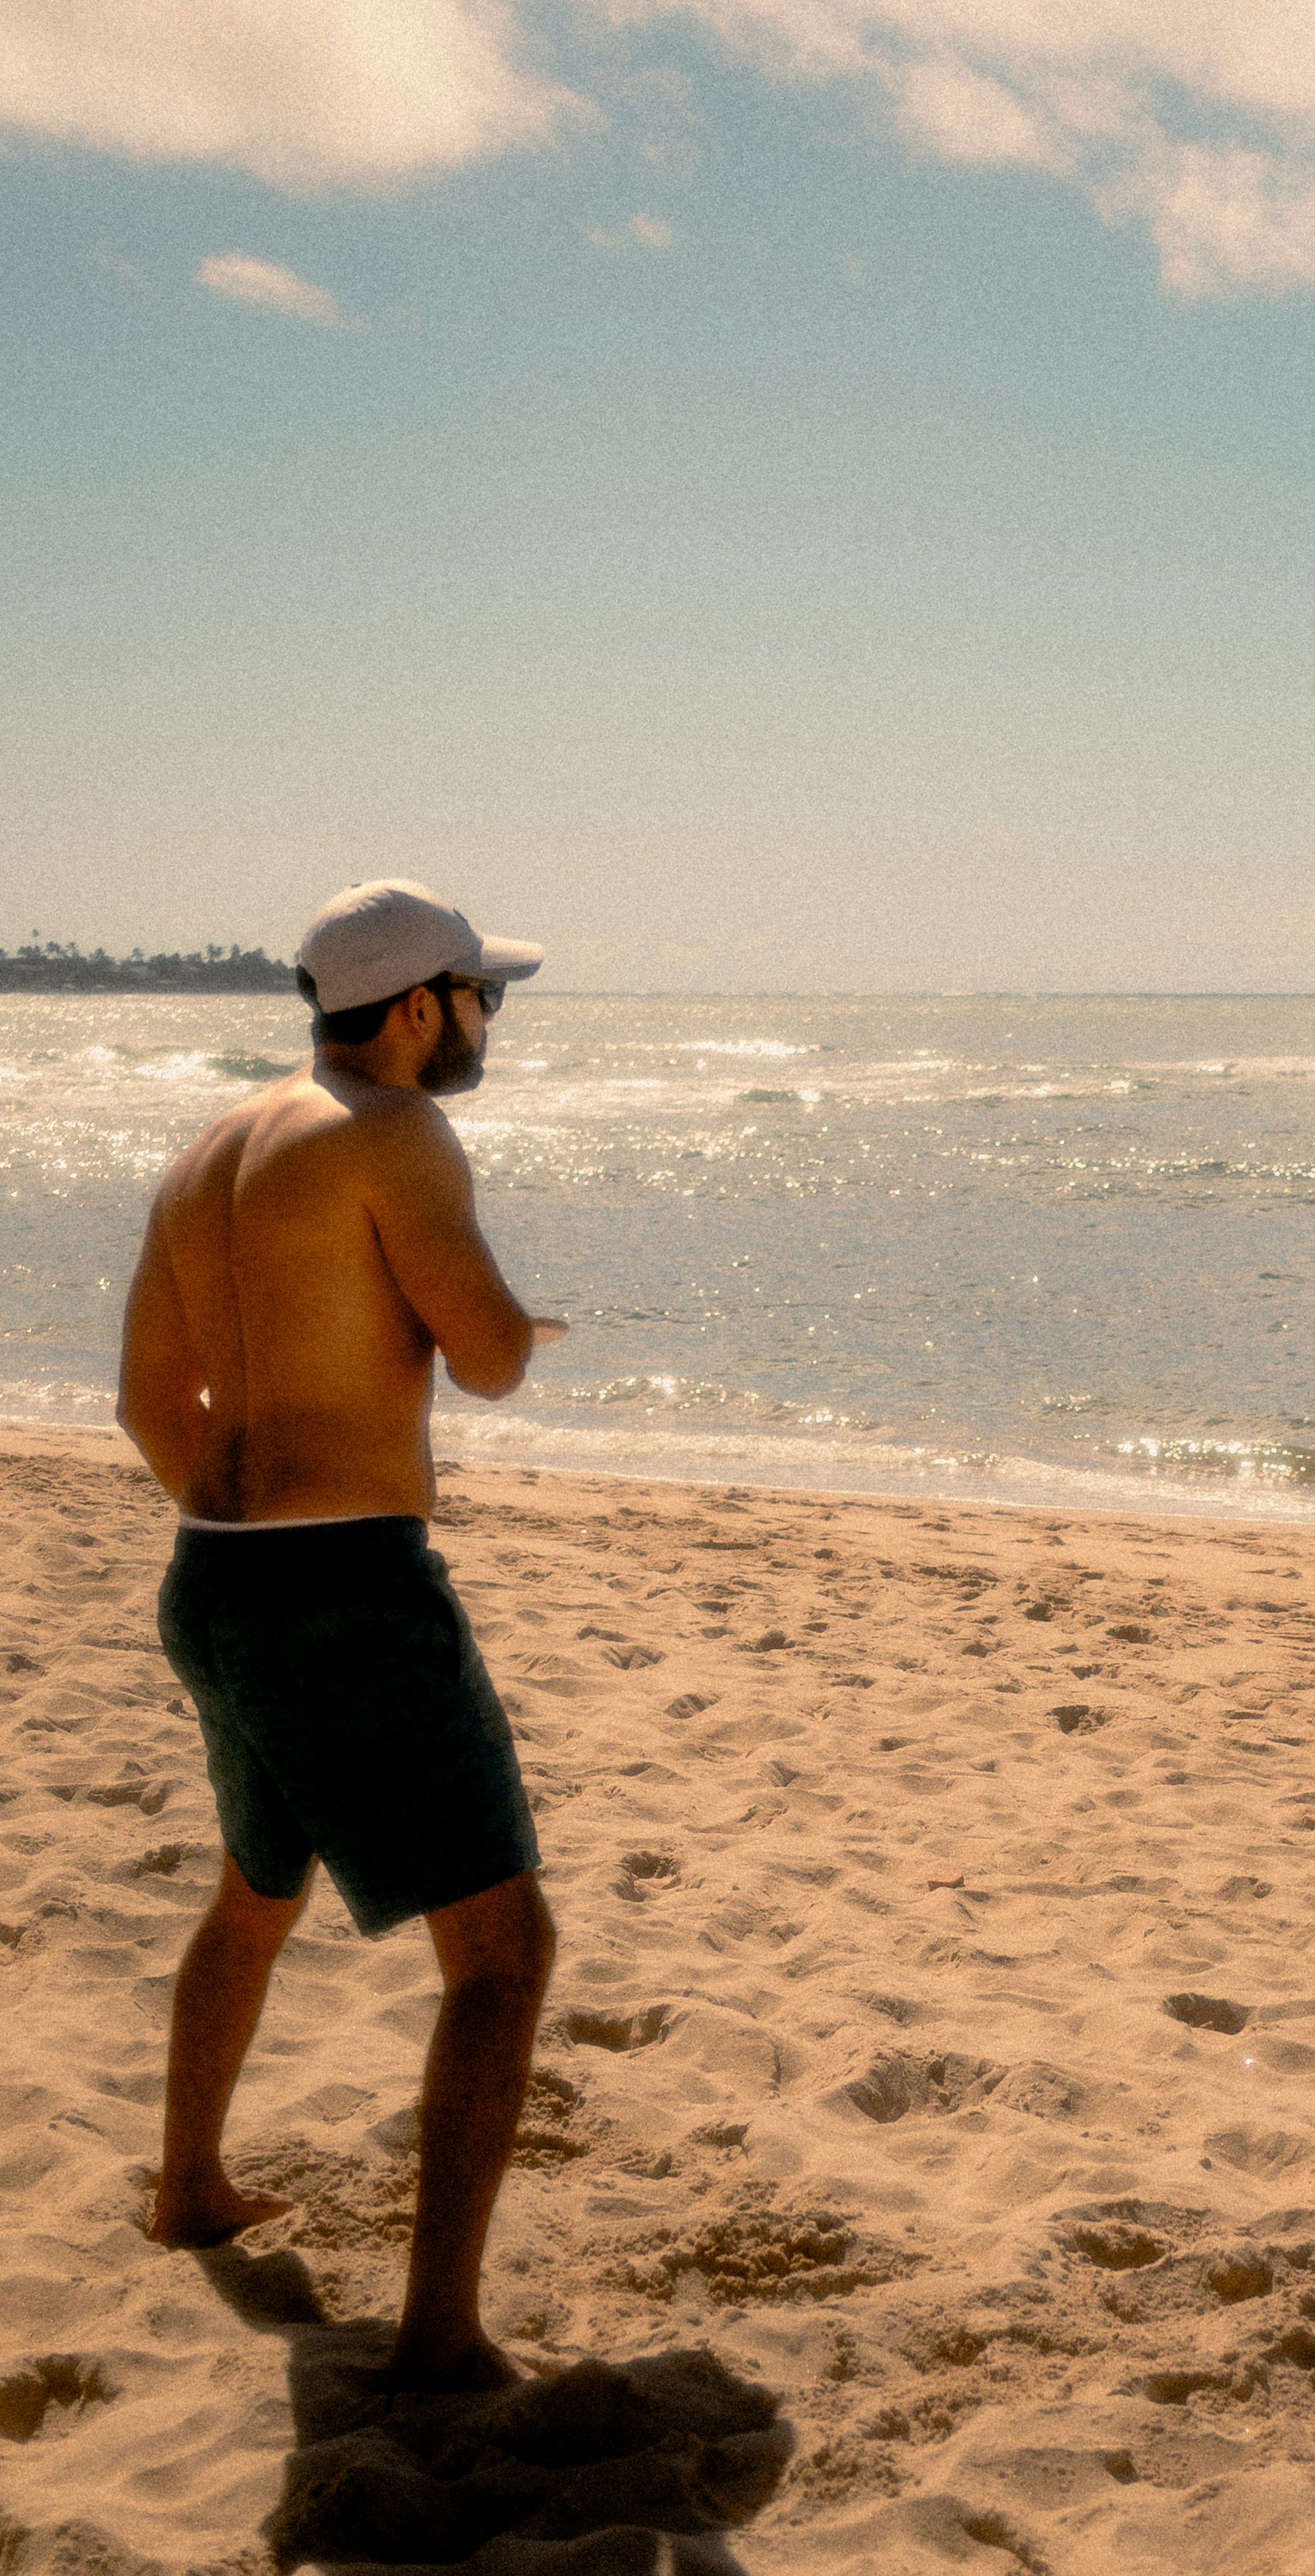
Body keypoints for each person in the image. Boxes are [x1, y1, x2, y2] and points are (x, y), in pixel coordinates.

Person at [117, 878, 567, 2391]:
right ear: (421, 1006)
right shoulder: (393, 1131)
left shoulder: (210, 1150)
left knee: (256, 1892)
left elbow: (144, 1404)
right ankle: (439, 2333)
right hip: (344, 1589)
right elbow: (490, 1358)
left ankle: (188, 2188)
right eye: (480, 995)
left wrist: (255, 1548)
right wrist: (509, 1325)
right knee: (501, 1952)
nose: (491, 1019)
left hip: (214, 1577)